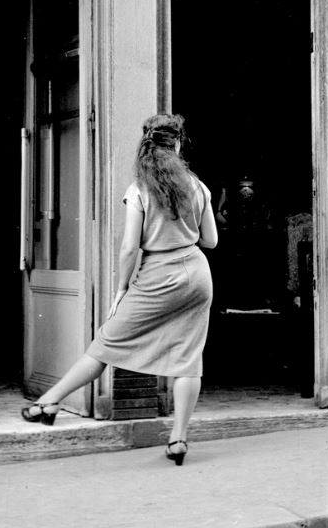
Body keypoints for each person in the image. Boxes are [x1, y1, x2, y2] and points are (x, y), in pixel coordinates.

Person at [21, 113, 218, 466]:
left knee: (107, 341)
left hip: (158, 274)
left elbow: (130, 248)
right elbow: (212, 241)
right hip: (197, 274)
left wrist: (120, 290)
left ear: (146, 144)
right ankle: (178, 440)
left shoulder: (140, 189)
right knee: (189, 358)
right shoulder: (198, 186)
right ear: (176, 144)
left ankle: (48, 402)